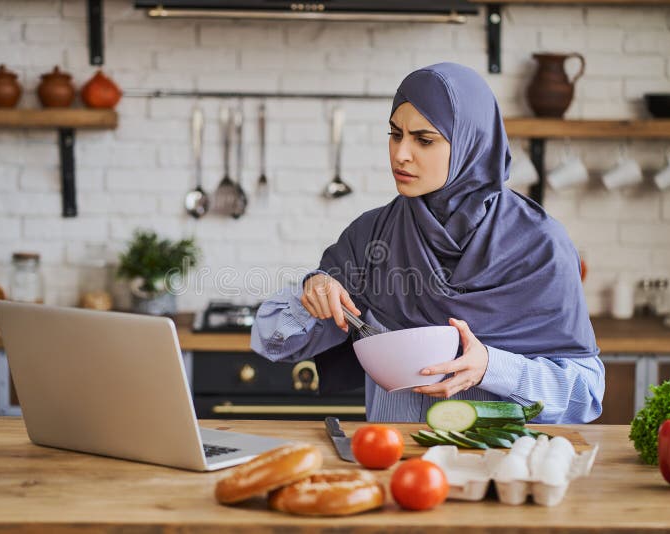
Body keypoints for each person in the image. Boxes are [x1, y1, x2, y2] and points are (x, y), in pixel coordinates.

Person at [250, 62, 604, 424]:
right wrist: (312, 293)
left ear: (471, 142)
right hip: (391, 466)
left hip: (496, 470)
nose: (400, 153)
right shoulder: (373, 234)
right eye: (394, 133)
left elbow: (586, 395)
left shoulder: (541, 247)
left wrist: (491, 367)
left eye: (424, 139)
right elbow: (271, 341)